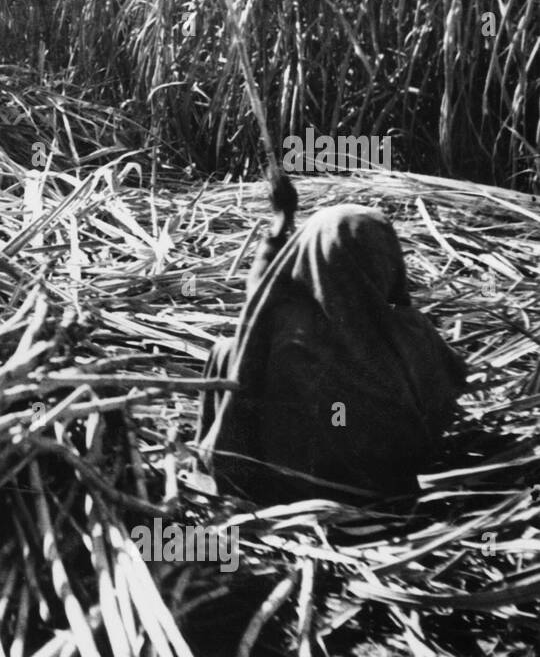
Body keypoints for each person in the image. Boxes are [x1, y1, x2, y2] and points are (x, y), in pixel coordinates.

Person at [198, 199, 467, 505]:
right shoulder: (414, 329)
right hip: (395, 483)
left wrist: (276, 234)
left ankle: (228, 485)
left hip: (310, 491)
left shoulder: (292, 339)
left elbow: (257, 309)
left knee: (228, 353)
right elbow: (448, 392)